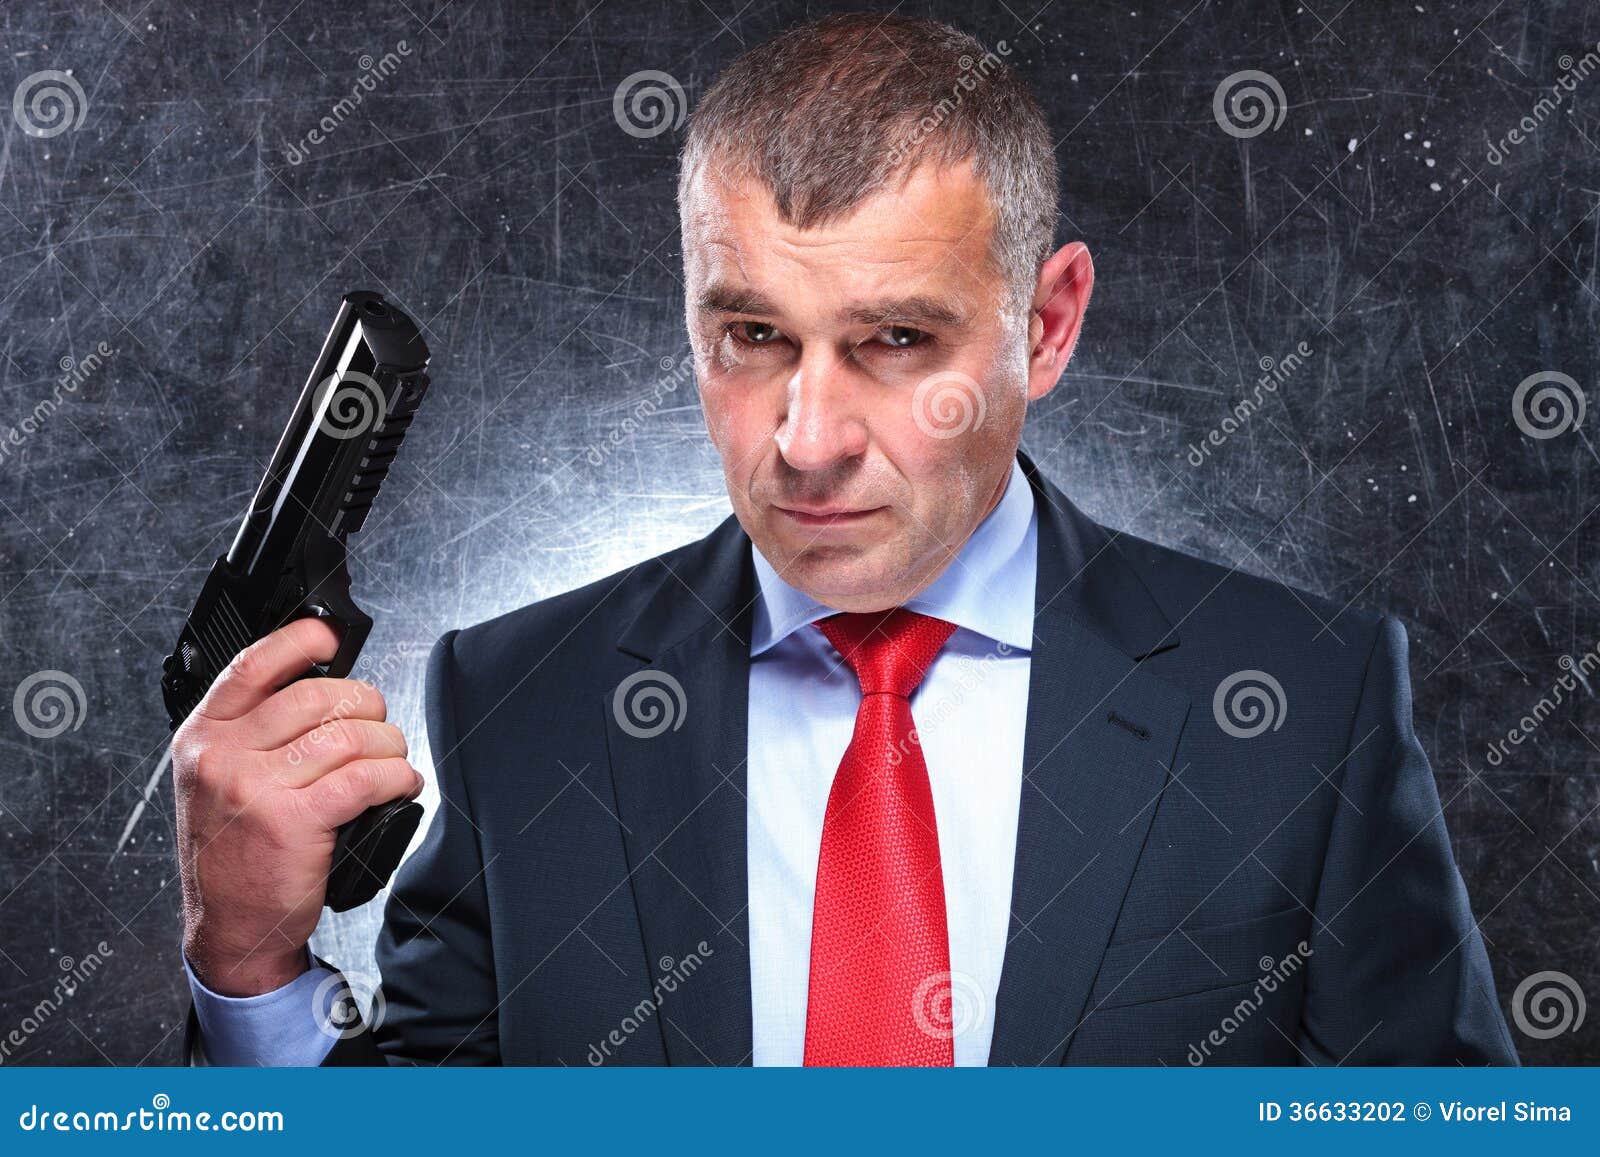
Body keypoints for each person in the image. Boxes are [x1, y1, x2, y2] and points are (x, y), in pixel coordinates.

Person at [173, 12, 1517, 1066]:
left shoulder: (1303, 702)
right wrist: (248, 965)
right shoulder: (521, 704)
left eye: (897, 338)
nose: (808, 440)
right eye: (755, 335)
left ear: (1047, 325)